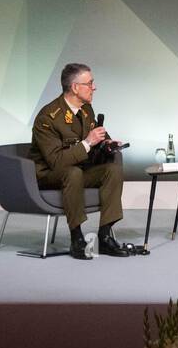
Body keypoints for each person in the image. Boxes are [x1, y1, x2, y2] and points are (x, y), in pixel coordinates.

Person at [30, 63, 143, 260]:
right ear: (75, 87)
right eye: (89, 83)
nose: (94, 87)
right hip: (49, 174)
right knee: (72, 172)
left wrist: (107, 143)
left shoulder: (86, 110)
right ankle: (77, 239)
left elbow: (96, 137)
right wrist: (88, 142)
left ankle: (105, 235)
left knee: (112, 169)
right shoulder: (47, 118)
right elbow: (56, 161)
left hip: (78, 170)